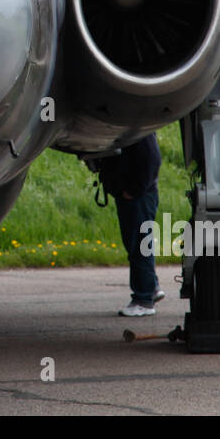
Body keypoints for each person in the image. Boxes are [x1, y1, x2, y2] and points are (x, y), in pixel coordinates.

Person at [93, 134, 166, 316]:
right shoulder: (133, 129)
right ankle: (151, 287)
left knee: (139, 245)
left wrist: (133, 190)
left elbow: (152, 160)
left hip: (138, 196)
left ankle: (144, 298)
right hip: (133, 194)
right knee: (137, 243)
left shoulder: (139, 131)